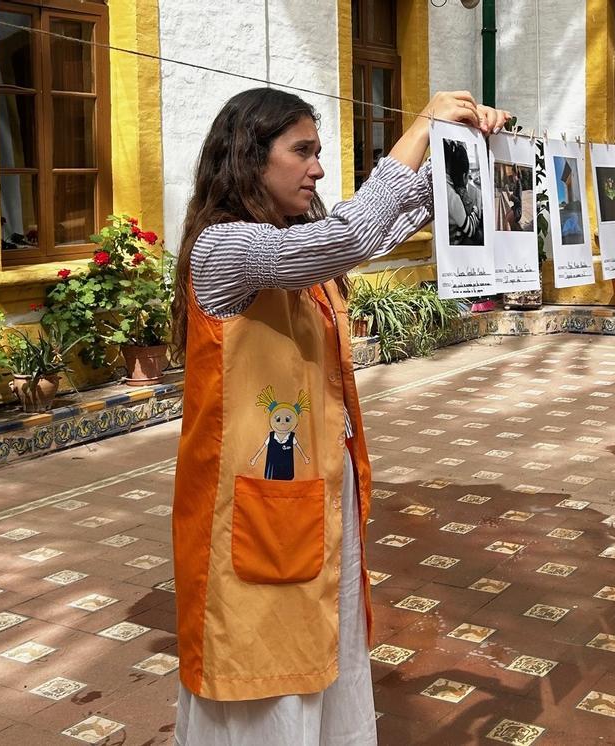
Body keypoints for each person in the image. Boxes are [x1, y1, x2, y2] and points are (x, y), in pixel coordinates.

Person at [168, 87, 510, 745]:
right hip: (245, 513)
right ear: (248, 159)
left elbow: (392, 217)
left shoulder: (294, 243)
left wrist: (462, 150)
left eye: (318, 152)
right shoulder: (225, 251)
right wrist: (421, 126)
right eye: (303, 152)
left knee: (323, 658)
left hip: (312, 497)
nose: (318, 169)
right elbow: (351, 235)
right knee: (261, 675)